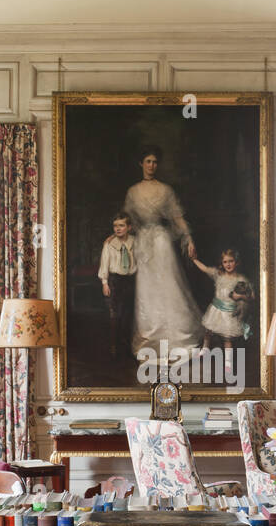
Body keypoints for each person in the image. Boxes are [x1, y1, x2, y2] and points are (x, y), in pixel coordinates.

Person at [123, 146, 204, 358]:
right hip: (142, 244)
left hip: (161, 241)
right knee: (147, 292)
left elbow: (177, 217)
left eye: (155, 162)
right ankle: (151, 340)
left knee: (169, 286)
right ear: (141, 163)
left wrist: (189, 238)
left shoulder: (166, 190)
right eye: (148, 161)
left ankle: (178, 338)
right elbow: (127, 222)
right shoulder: (132, 191)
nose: (152, 165)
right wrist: (116, 236)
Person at [189, 248, 254, 372]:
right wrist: (194, 259)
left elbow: (252, 296)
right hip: (216, 309)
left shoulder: (241, 279)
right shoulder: (218, 274)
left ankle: (228, 362)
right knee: (208, 331)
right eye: (225, 262)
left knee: (227, 338)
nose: (228, 264)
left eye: (231, 261)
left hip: (230, 312)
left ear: (236, 262)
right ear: (222, 263)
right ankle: (205, 349)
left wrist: (240, 296)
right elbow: (205, 269)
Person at [97, 212, 138, 358]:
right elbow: (104, 263)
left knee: (129, 313)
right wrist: (104, 282)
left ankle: (127, 344)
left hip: (131, 280)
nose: (118, 229)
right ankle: (114, 345)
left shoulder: (135, 242)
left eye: (121, 225)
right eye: (115, 226)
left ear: (129, 227)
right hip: (115, 280)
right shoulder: (109, 244)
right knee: (115, 313)